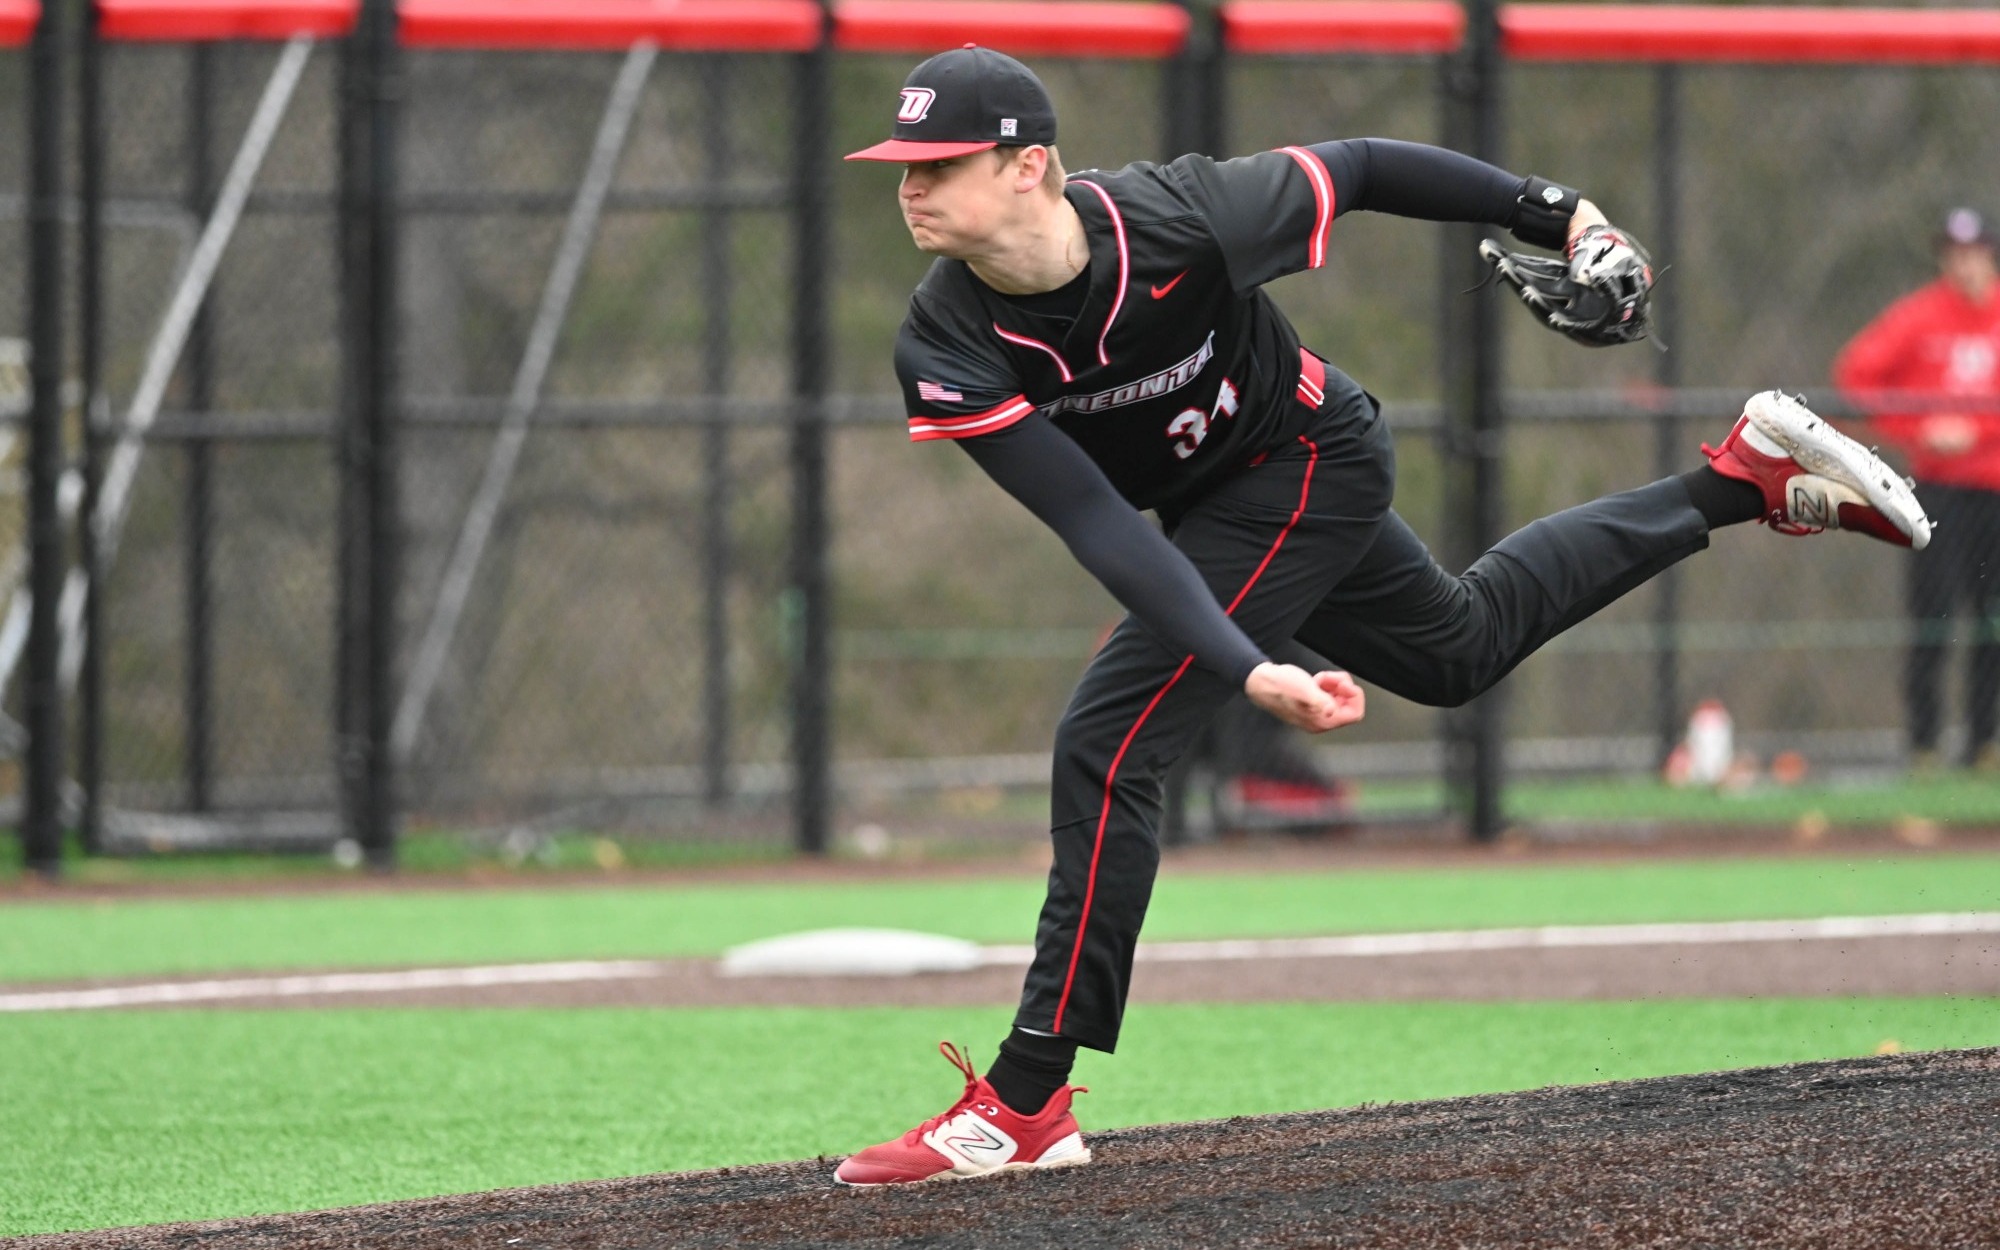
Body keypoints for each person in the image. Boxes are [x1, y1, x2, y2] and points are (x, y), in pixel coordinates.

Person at [833, 46, 1931, 1187]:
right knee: (1459, 649)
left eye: (938, 162)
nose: (910, 186)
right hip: (1211, 505)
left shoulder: (1179, 217)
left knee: (1106, 747)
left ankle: (1024, 1102)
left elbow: (1358, 166)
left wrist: (1561, 216)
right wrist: (1244, 662)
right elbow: (1097, 523)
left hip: (1309, 453)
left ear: (1027, 166)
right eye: (903, 165)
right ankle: (1740, 478)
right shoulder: (944, 340)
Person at [1834, 208, 2000, 773]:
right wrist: (1917, 429)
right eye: (1954, 254)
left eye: (1974, 252)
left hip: (1994, 489)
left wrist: (1978, 429)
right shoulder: (1919, 316)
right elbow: (1856, 376)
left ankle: (1984, 744)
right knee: (1933, 617)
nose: (1965, 264)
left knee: (1992, 619)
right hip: (1935, 490)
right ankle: (1924, 745)